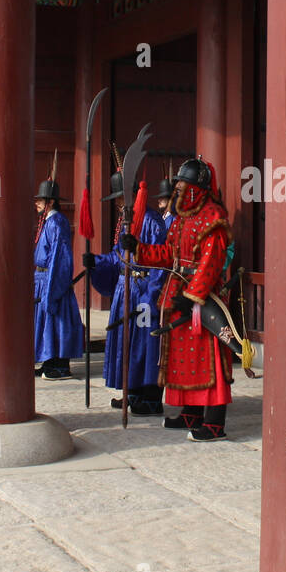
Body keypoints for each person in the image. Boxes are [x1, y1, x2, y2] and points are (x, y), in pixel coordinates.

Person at [122, 157, 234, 441]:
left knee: (209, 358)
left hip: (203, 298)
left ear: (199, 187)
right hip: (177, 293)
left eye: (185, 184)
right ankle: (190, 413)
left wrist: (192, 295)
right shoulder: (181, 219)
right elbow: (168, 256)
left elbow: (211, 262)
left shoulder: (213, 217)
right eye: (179, 184)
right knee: (183, 358)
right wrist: (138, 248)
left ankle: (214, 422)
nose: (180, 188)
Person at [85, 172, 168, 415]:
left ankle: (151, 398)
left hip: (143, 290)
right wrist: (96, 262)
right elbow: (117, 257)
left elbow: (159, 263)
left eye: (121, 198)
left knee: (146, 343)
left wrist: (151, 298)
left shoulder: (152, 221)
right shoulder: (125, 222)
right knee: (127, 343)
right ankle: (131, 392)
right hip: (125, 290)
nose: (119, 204)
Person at [33, 177, 84, 381]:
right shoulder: (47, 222)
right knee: (46, 323)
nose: (36, 203)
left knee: (56, 322)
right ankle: (48, 361)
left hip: (52, 278)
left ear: (51, 202)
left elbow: (59, 255)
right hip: (42, 277)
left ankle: (59, 365)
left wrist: (54, 284)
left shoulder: (57, 222)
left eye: (41, 200)